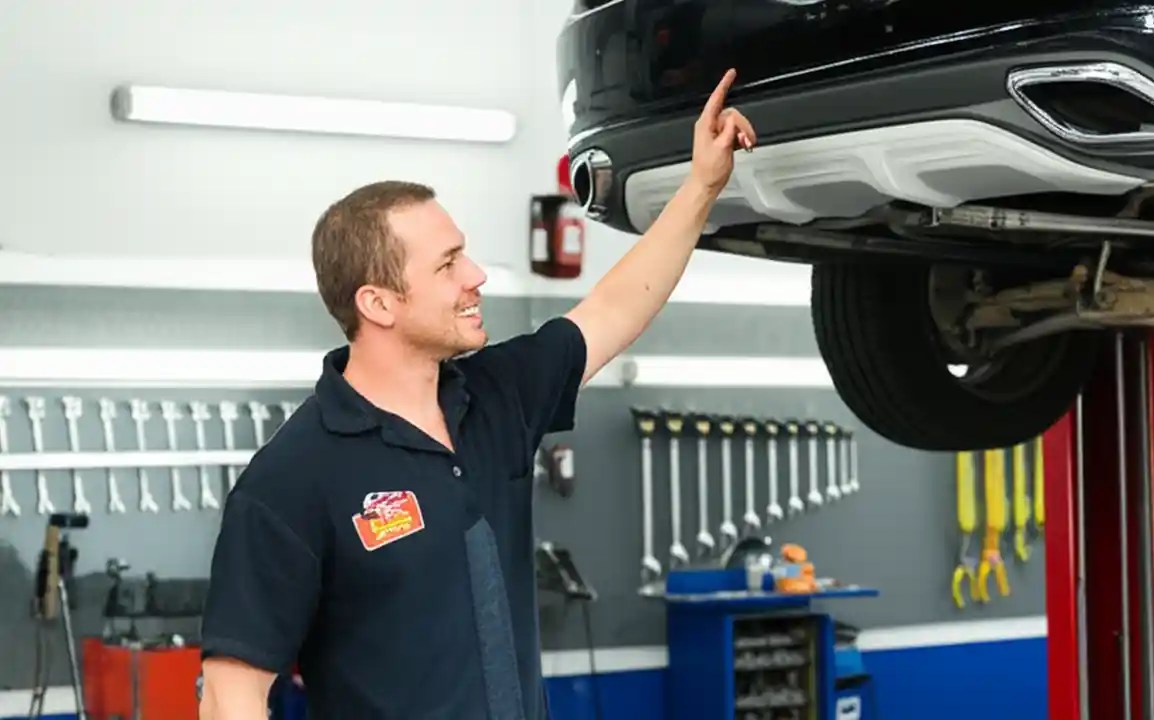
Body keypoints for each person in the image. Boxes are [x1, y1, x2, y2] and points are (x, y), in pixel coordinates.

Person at [196, 68, 757, 720]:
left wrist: (701, 186)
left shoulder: (496, 397)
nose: (477, 275)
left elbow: (610, 312)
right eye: (447, 263)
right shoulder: (293, 478)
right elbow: (233, 695)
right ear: (377, 303)